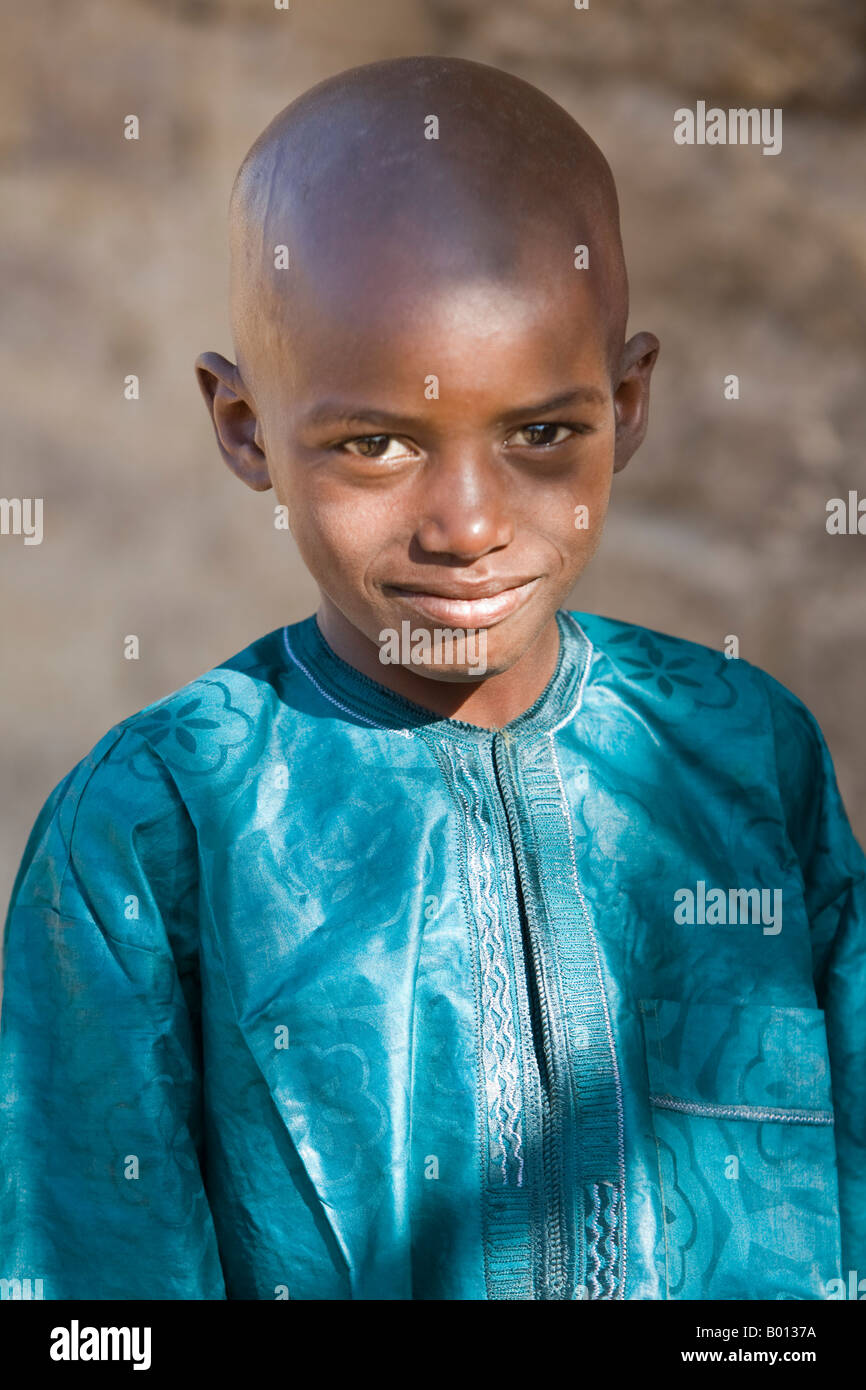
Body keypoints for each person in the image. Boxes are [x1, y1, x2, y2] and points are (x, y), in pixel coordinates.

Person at [1, 56, 863, 1301]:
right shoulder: (154, 830)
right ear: (244, 428)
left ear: (626, 404)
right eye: (375, 443)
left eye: (541, 434)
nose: (466, 523)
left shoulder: (742, 754)